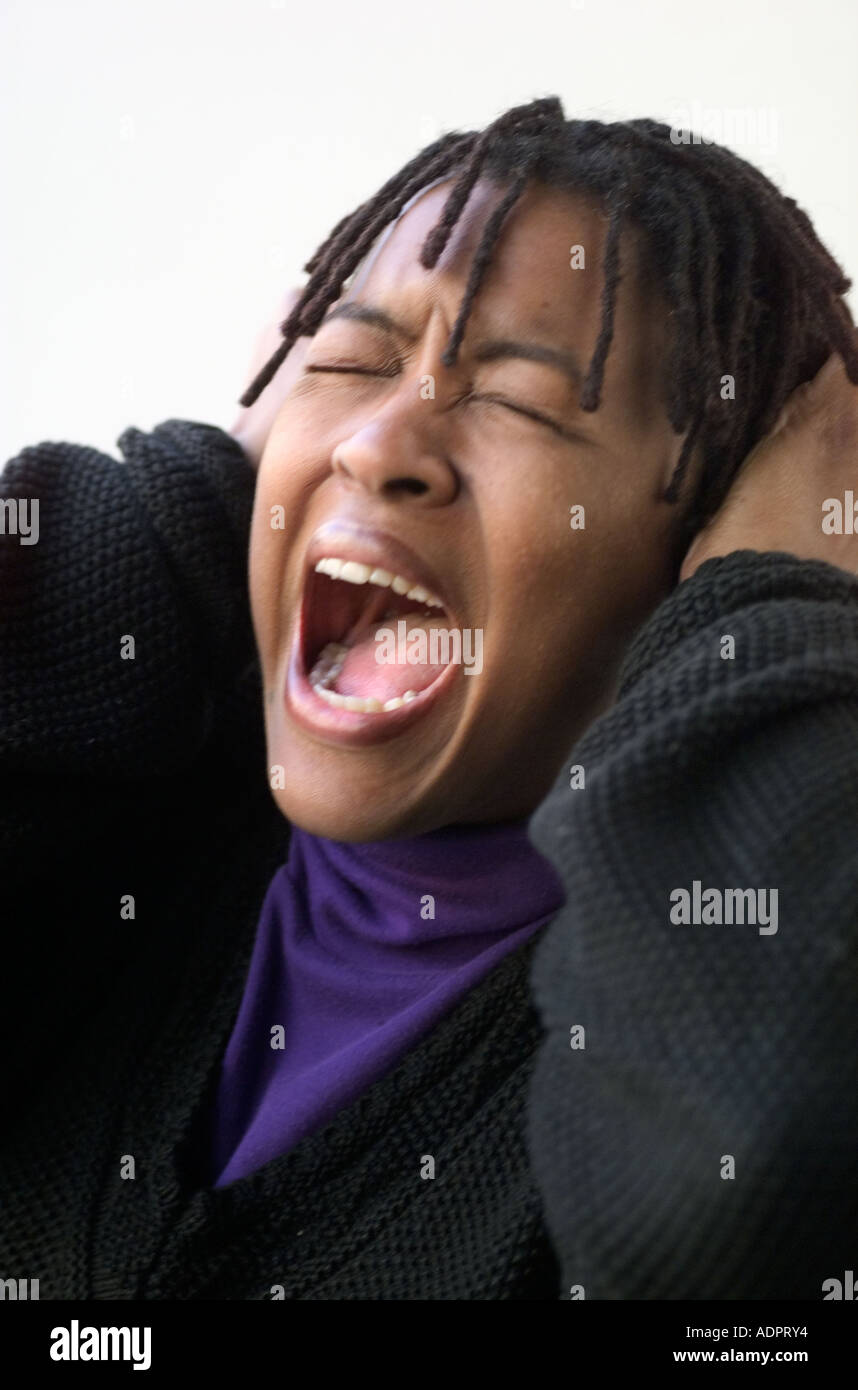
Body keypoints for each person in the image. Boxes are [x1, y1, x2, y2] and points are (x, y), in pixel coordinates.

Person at [1, 95, 857, 1301]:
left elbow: (744, 1214)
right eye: (349, 361)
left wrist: (772, 613)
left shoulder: (728, 991)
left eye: (519, 399)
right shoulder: (122, 831)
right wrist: (191, 501)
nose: (376, 443)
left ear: (699, 553)